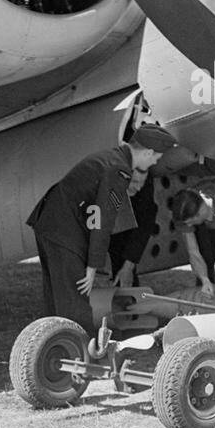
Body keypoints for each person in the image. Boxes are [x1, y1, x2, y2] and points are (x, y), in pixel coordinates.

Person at [26, 126, 178, 332]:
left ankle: (55, 350)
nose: (154, 163)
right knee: (75, 307)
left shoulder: (111, 157)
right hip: (64, 230)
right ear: (147, 152)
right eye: (156, 158)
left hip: (49, 222)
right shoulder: (120, 171)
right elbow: (103, 220)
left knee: (57, 300)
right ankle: (78, 358)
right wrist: (92, 268)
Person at [107, 167, 158, 288]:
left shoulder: (142, 184)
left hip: (128, 212)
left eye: (142, 183)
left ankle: (126, 292)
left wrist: (128, 266)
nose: (138, 187)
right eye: (135, 182)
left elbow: (145, 223)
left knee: (122, 249)